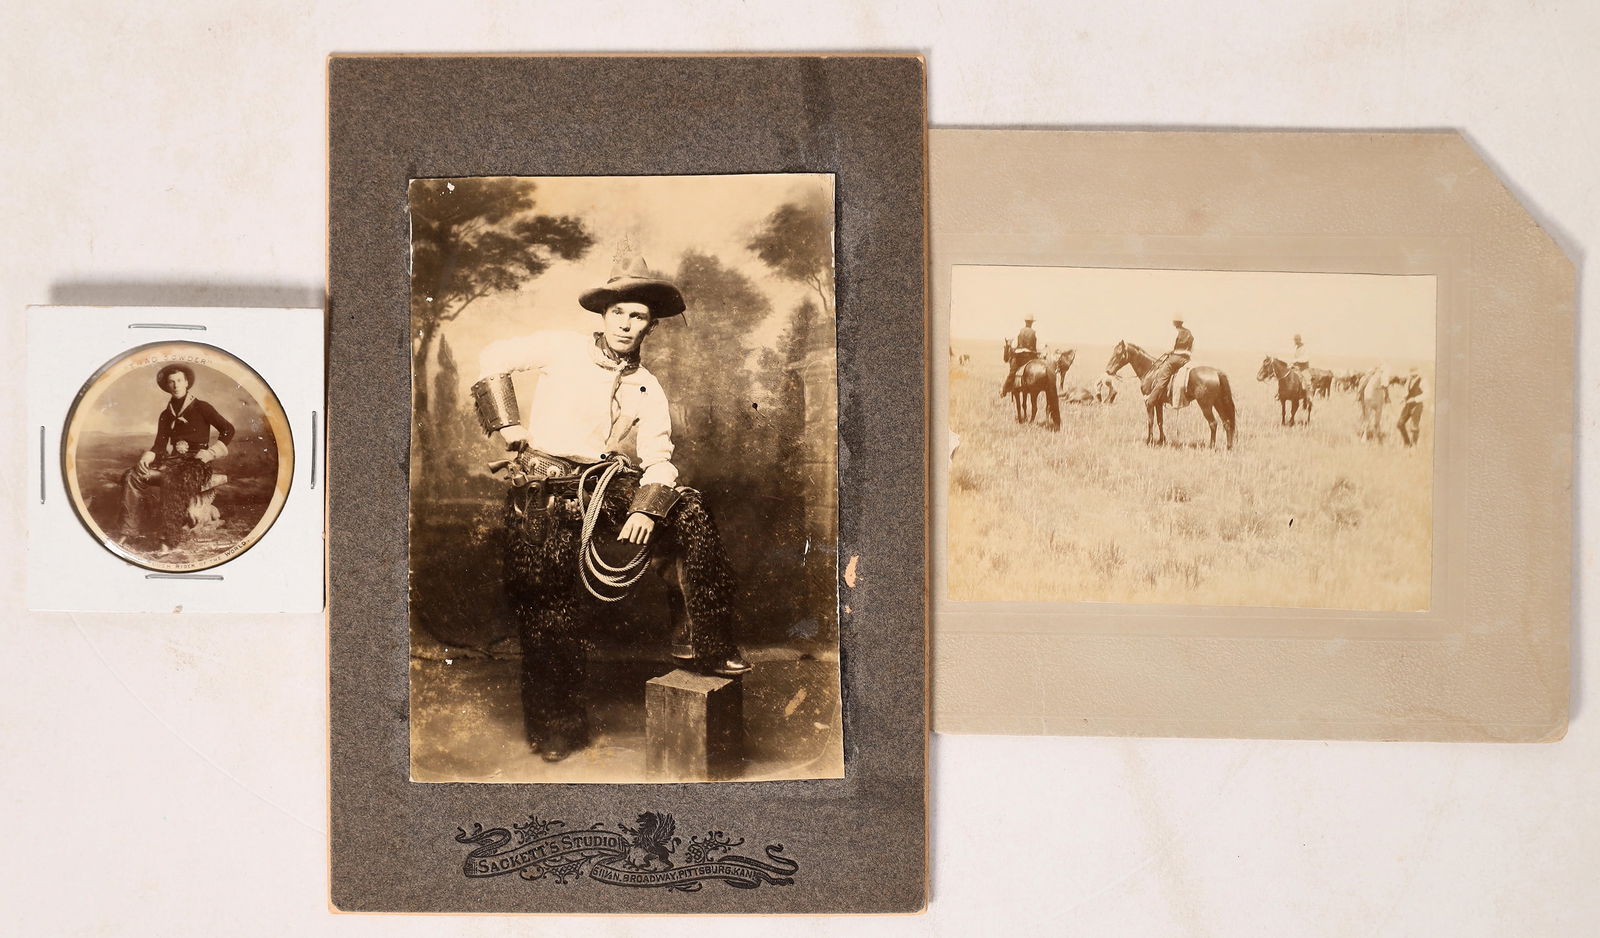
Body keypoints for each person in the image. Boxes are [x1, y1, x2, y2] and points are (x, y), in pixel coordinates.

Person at [471, 248, 750, 764]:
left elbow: (660, 459)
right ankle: (556, 727)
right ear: (604, 316)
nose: (627, 323)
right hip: (546, 489)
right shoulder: (560, 348)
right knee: (549, 608)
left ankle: (700, 640)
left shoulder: (647, 385)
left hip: (607, 485)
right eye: (619, 312)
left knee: (687, 508)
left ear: (651, 326)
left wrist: (645, 509)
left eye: (638, 316)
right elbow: (491, 358)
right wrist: (507, 424)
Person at [120, 363, 235, 549]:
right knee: (133, 475)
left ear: (187, 382)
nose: (175, 385)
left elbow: (228, 430)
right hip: (172, 463)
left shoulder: (202, 407)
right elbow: (159, 445)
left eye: (179, 380)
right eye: (171, 382)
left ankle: (167, 539)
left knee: (171, 478)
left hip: (197, 465)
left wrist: (211, 453)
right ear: (167, 386)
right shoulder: (166, 415)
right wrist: (147, 457)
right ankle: (129, 531)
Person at [1145, 317, 1193, 407]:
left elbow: (1171, 348)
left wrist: (1167, 352)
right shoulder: (1189, 333)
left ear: (1174, 323)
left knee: (1161, 379)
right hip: (1186, 360)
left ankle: (1150, 400)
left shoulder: (1175, 332)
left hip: (1175, 359)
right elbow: (1192, 348)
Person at [1000, 315, 1039, 396]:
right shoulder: (1034, 332)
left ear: (1025, 322)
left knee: (1012, 373)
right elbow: (1035, 346)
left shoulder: (1020, 331)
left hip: (1021, 356)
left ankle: (1004, 390)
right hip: (1031, 356)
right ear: (1031, 323)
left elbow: (1015, 344)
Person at [1396, 364, 1427, 446]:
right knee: (1400, 424)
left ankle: (1414, 446)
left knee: (1414, 427)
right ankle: (1407, 443)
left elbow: (1427, 394)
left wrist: (1415, 399)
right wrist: (1403, 399)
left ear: (1417, 373)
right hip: (1408, 405)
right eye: (1411, 373)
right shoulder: (1409, 380)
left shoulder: (1423, 381)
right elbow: (1407, 392)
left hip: (1417, 405)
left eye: (1414, 373)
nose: (1412, 375)